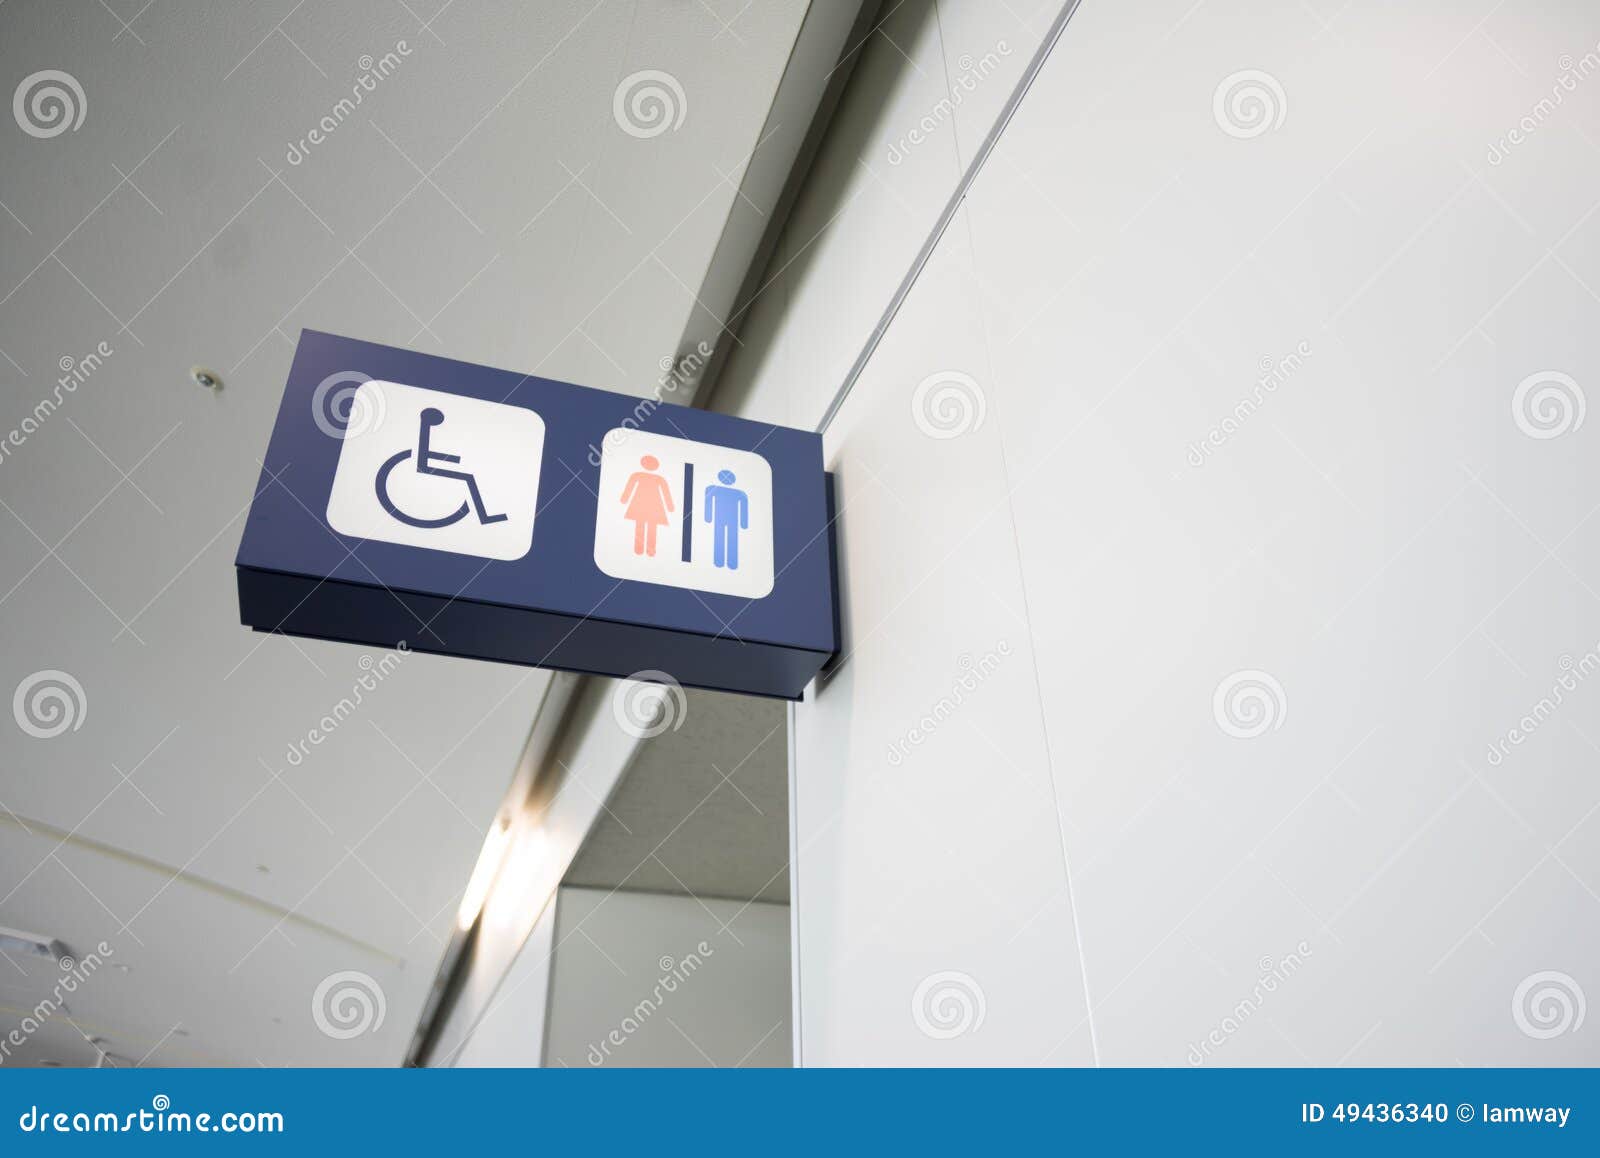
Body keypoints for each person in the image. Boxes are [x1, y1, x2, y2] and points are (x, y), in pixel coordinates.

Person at [620, 454, 674, 557]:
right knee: (645, 526)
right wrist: (624, 499)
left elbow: (665, 492)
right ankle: (641, 550)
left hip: (652, 505)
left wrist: (670, 506)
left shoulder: (657, 478)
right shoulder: (639, 475)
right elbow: (629, 487)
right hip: (643, 504)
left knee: (648, 527)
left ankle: (647, 551)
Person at [703, 468, 748, 570]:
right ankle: (719, 561)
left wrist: (744, 523)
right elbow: (708, 501)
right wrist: (708, 516)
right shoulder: (713, 489)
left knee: (731, 539)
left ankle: (731, 563)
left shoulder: (739, 493)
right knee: (720, 537)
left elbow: (744, 507)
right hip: (720, 518)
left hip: (732, 519)